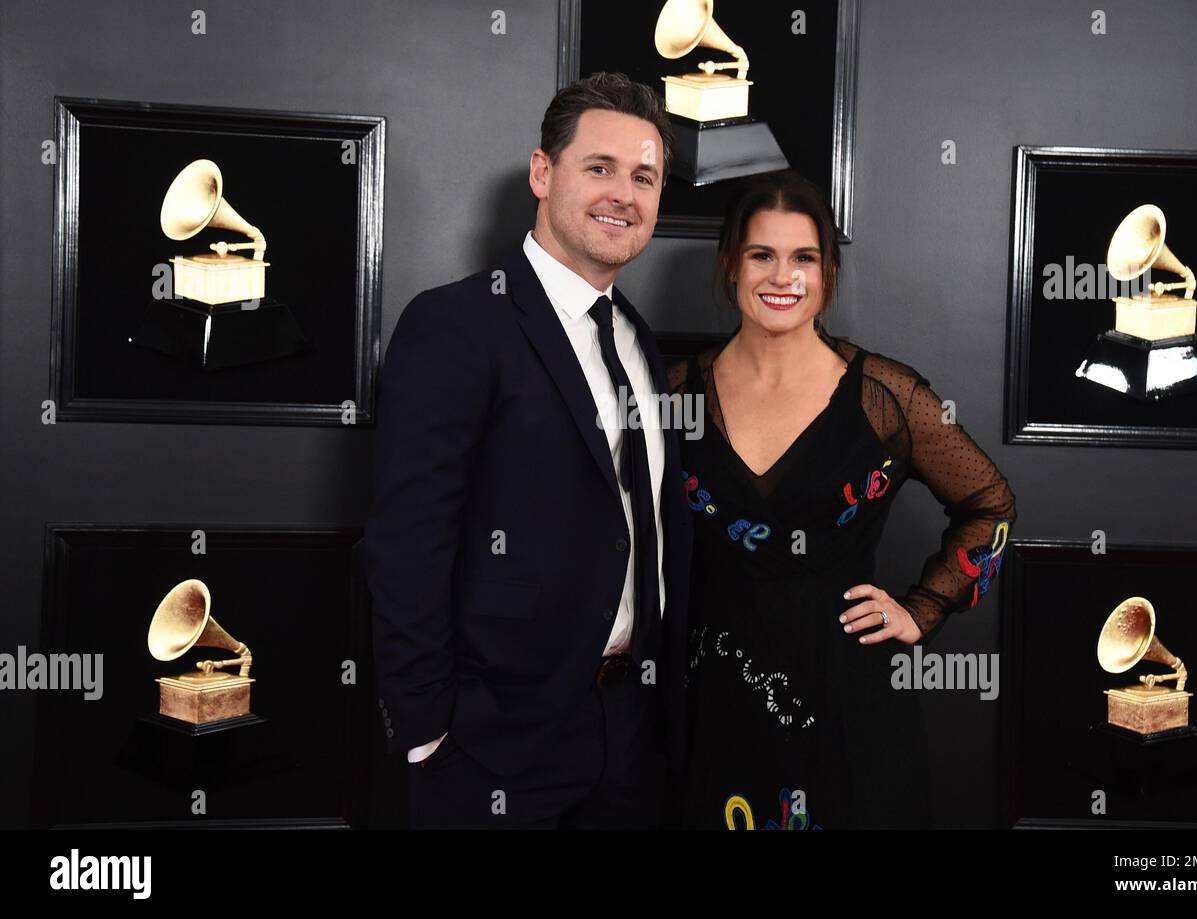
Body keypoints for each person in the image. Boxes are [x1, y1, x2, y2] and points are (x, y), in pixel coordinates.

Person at [366, 72, 692, 829]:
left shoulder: (640, 341)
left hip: (628, 738)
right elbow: (407, 544)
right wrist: (427, 735)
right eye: (600, 167)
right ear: (543, 173)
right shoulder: (456, 324)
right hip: (489, 749)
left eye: (644, 177)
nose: (624, 194)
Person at [667, 171, 1018, 829]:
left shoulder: (885, 397)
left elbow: (991, 502)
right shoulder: (674, 392)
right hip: (715, 702)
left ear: (827, 271)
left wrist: (925, 608)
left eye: (804, 257)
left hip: (850, 704)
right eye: (761, 254)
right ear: (730, 267)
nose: (783, 276)